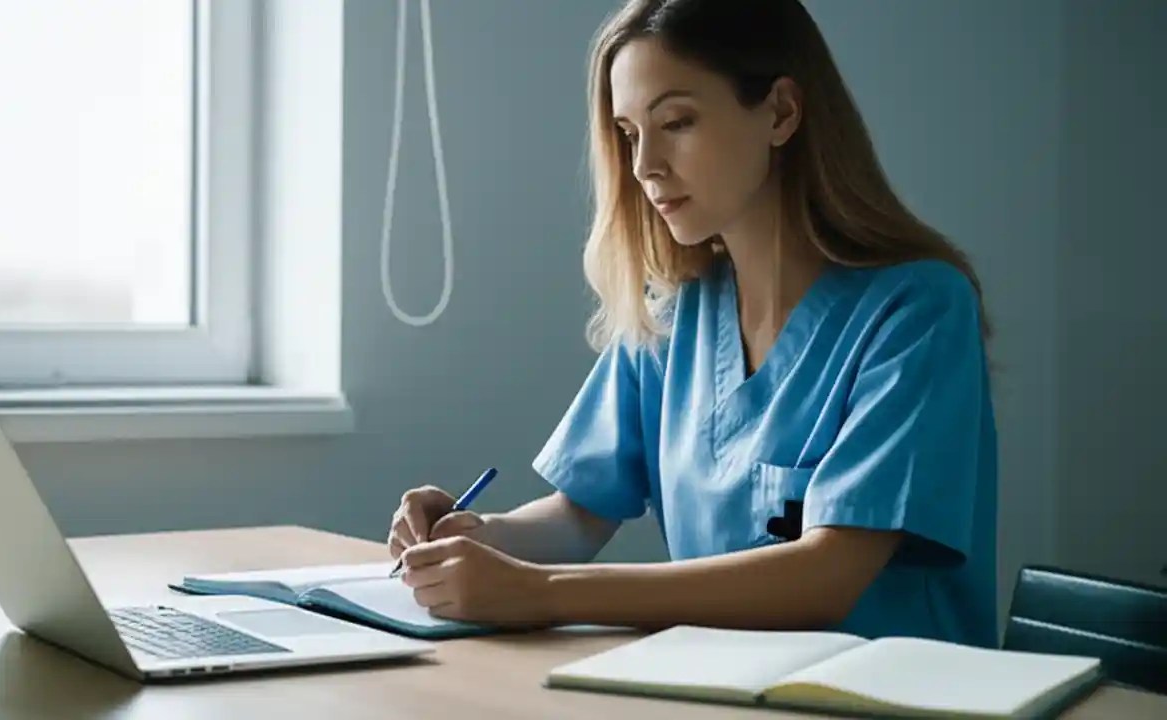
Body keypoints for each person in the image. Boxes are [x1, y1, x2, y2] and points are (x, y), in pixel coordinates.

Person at [388, 0, 998, 648]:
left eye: (675, 121)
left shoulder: (918, 311)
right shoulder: (676, 313)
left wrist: (540, 594)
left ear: (782, 113)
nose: (645, 165)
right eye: (628, 134)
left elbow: (828, 574)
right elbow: (578, 516)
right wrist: (470, 539)